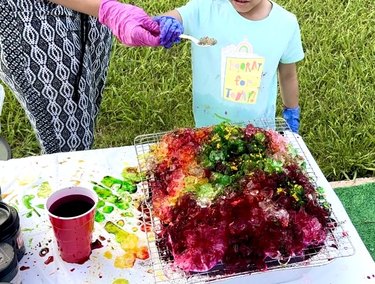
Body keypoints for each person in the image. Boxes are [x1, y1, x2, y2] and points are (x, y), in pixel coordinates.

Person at [0, 0, 161, 154]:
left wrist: (105, 8)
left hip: (92, 10)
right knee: (70, 150)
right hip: (33, 16)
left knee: (85, 121)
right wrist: (108, 10)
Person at [154, 0, 304, 133]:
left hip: (259, 130)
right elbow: (176, 16)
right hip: (208, 128)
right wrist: (167, 21)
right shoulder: (205, 8)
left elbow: (288, 76)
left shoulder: (285, 24)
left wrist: (291, 114)